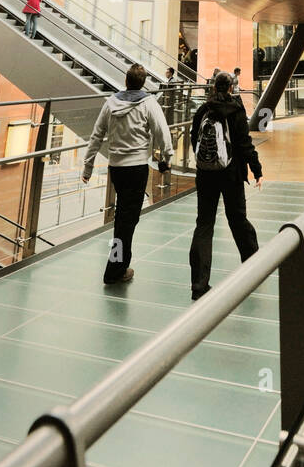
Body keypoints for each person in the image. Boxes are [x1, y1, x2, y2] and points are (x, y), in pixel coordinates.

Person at [82, 63, 173, 285]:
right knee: (127, 221)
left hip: (116, 168)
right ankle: (115, 270)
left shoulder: (110, 103)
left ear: (126, 81)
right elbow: (162, 132)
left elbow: (96, 135)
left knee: (124, 219)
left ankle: (118, 265)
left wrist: (88, 166)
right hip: (137, 168)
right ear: (143, 83)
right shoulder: (149, 103)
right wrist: (167, 157)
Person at [188, 70, 262, 301]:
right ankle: (253, 268)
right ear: (231, 88)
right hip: (231, 174)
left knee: (204, 224)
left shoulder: (203, 110)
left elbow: (194, 138)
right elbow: (244, 144)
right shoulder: (237, 111)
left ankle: (199, 284)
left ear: (213, 87)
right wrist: (256, 169)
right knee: (237, 219)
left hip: (205, 174)